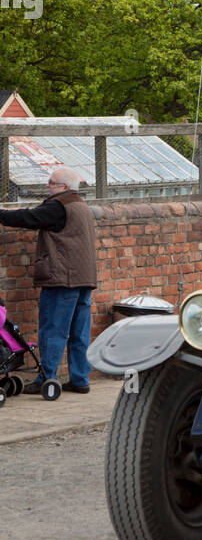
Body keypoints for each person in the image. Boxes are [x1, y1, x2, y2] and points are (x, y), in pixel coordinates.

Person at [0, 165, 97, 394]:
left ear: (64, 187)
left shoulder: (58, 206)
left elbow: (28, 217)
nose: (47, 185)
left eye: (51, 182)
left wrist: (1, 214)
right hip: (84, 278)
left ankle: (47, 378)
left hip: (63, 278)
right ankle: (80, 379)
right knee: (80, 333)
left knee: (53, 329)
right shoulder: (82, 205)